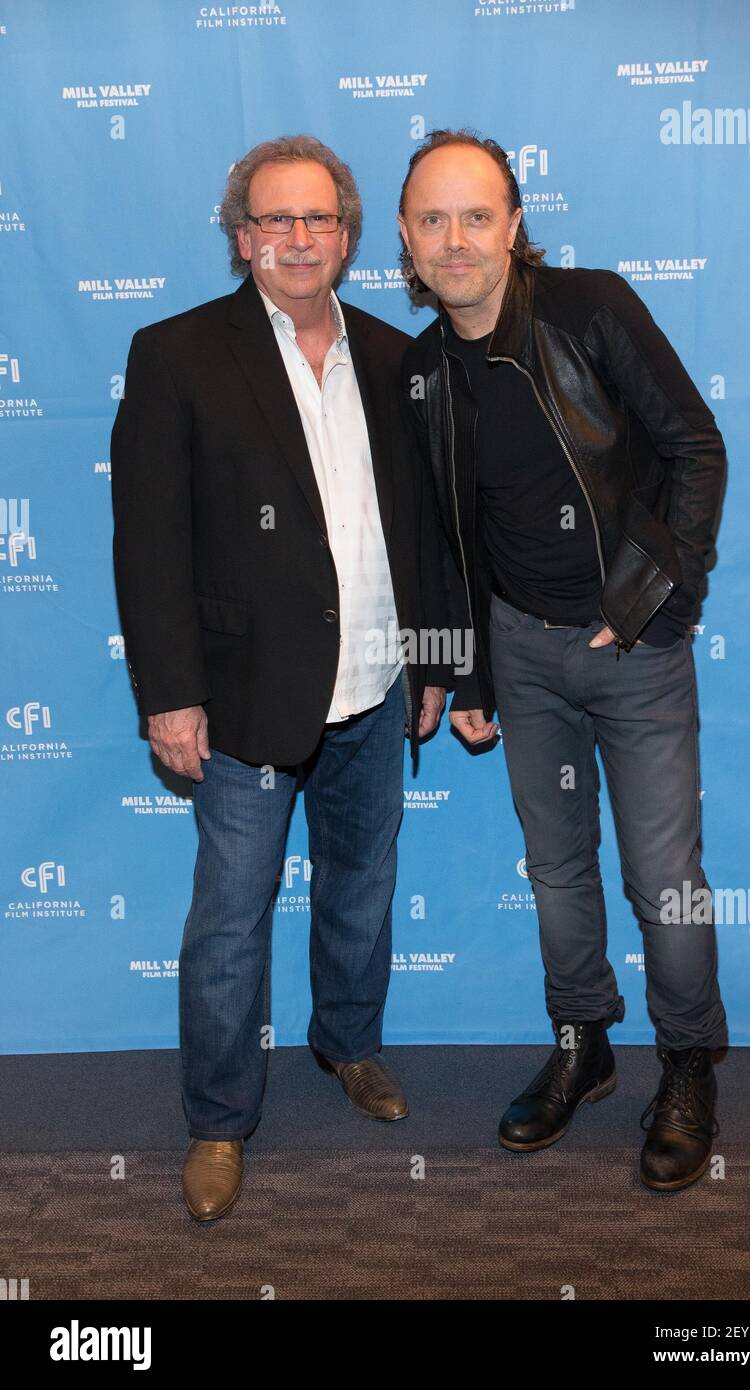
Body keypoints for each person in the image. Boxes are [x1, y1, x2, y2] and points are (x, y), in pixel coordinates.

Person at [111, 135, 449, 1222]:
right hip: (244, 693)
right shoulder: (176, 354)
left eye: (321, 219)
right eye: (276, 220)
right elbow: (149, 543)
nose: (299, 239)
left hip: (376, 684)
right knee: (230, 921)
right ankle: (218, 1121)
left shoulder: (400, 359)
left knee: (360, 893)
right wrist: (169, 693)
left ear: (349, 236)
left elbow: (424, 530)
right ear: (242, 235)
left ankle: (349, 1048)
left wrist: (437, 657)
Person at [399, 128, 729, 1192]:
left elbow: (693, 446)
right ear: (406, 240)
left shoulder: (592, 308)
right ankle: (583, 1045)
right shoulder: (419, 371)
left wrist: (655, 598)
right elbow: (442, 538)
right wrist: (465, 674)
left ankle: (686, 1064)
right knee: (555, 870)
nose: (456, 240)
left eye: (476, 215)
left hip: (632, 653)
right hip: (520, 659)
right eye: (433, 219)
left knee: (664, 878)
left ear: (514, 226)